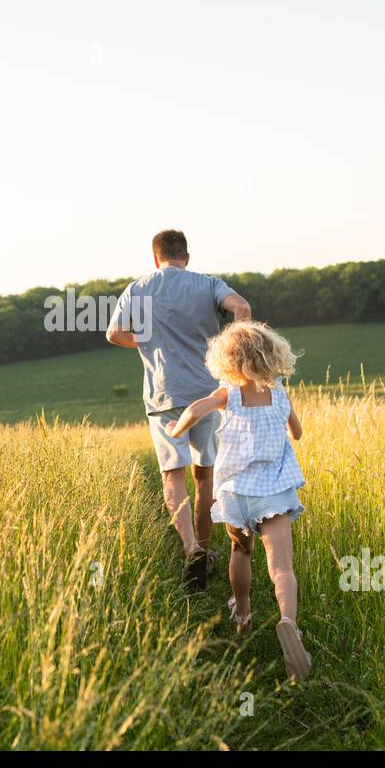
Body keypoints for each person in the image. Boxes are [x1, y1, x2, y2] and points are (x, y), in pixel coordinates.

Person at [106, 229, 251, 590]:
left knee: (173, 474)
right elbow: (243, 308)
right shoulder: (207, 284)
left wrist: (148, 340)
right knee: (205, 473)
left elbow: (113, 333)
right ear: (186, 256)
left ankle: (190, 550)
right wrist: (236, 351)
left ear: (156, 258)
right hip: (208, 392)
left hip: (163, 394)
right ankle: (205, 546)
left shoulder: (137, 288)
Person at [167, 320, 311, 681]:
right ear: (271, 355)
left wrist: (177, 429)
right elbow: (298, 432)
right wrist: (284, 424)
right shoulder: (279, 394)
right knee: (281, 567)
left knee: (241, 552)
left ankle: (243, 614)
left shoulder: (228, 394)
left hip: (236, 494)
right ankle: (289, 624)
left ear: (228, 360)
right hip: (274, 492)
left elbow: (196, 409)